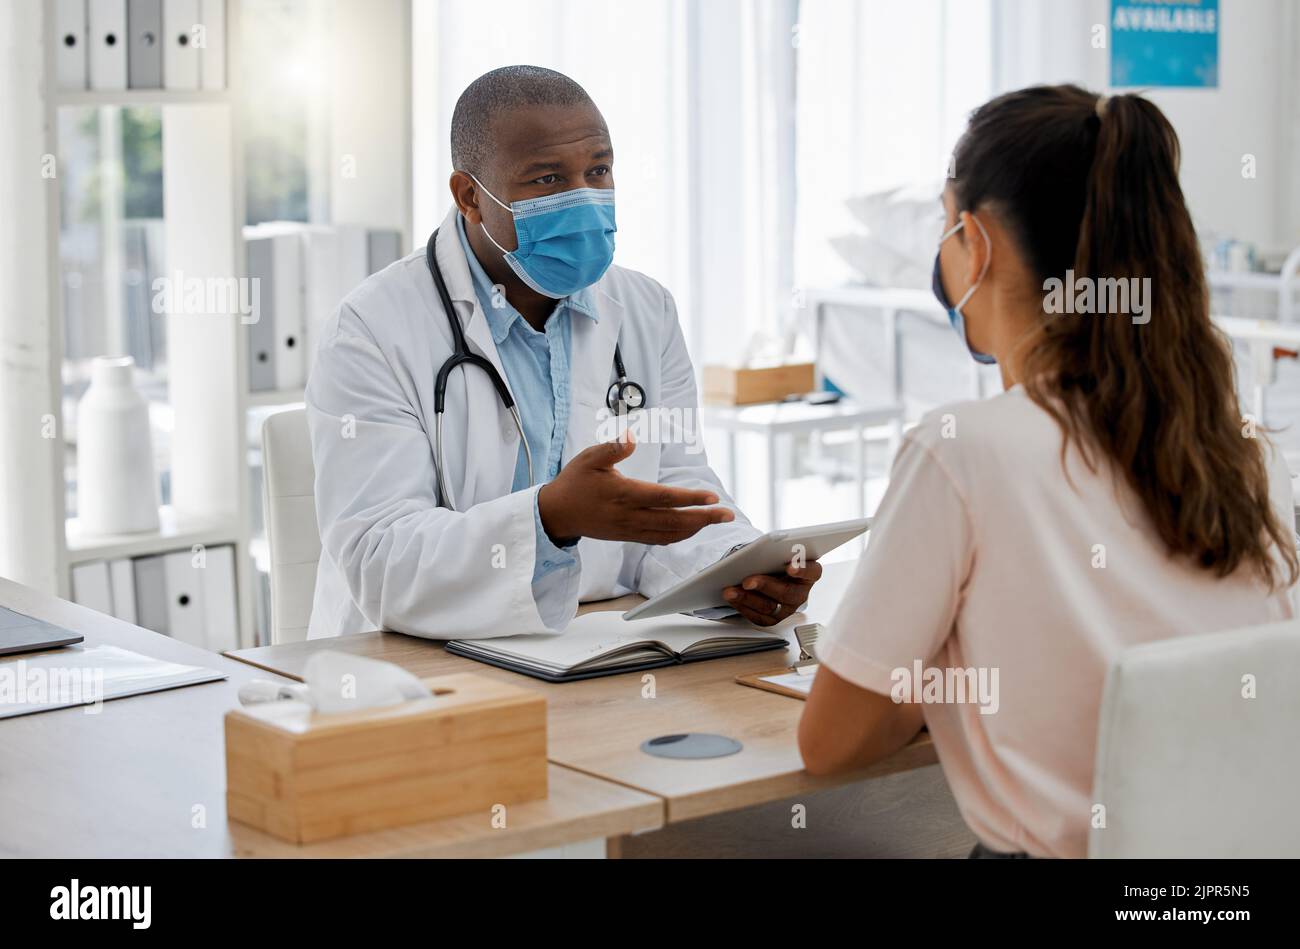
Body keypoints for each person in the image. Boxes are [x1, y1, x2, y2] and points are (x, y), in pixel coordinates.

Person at [797, 84, 1300, 858]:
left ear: (978, 242)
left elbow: (830, 740)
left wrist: (947, 669)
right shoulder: (1242, 451)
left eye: (944, 225)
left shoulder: (962, 449)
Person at [305, 66, 821, 639]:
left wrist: (742, 571)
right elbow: (379, 562)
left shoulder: (647, 309)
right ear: (469, 195)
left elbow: (676, 498)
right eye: (547, 179)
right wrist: (550, 518)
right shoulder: (371, 329)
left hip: (590, 646)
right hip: (410, 667)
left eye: (598, 170)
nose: (584, 196)